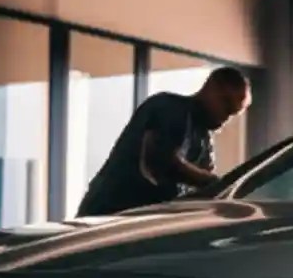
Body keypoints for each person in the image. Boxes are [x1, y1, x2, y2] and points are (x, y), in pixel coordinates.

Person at [76, 66, 251, 217]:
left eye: (233, 113)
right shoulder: (168, 108)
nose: (227, 116)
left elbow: (203, 193)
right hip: (108, 214)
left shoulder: (203, 141)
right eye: (226, 105)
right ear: (211, 88)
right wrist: (216, 183)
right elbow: (162, 160)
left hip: (137, 223)